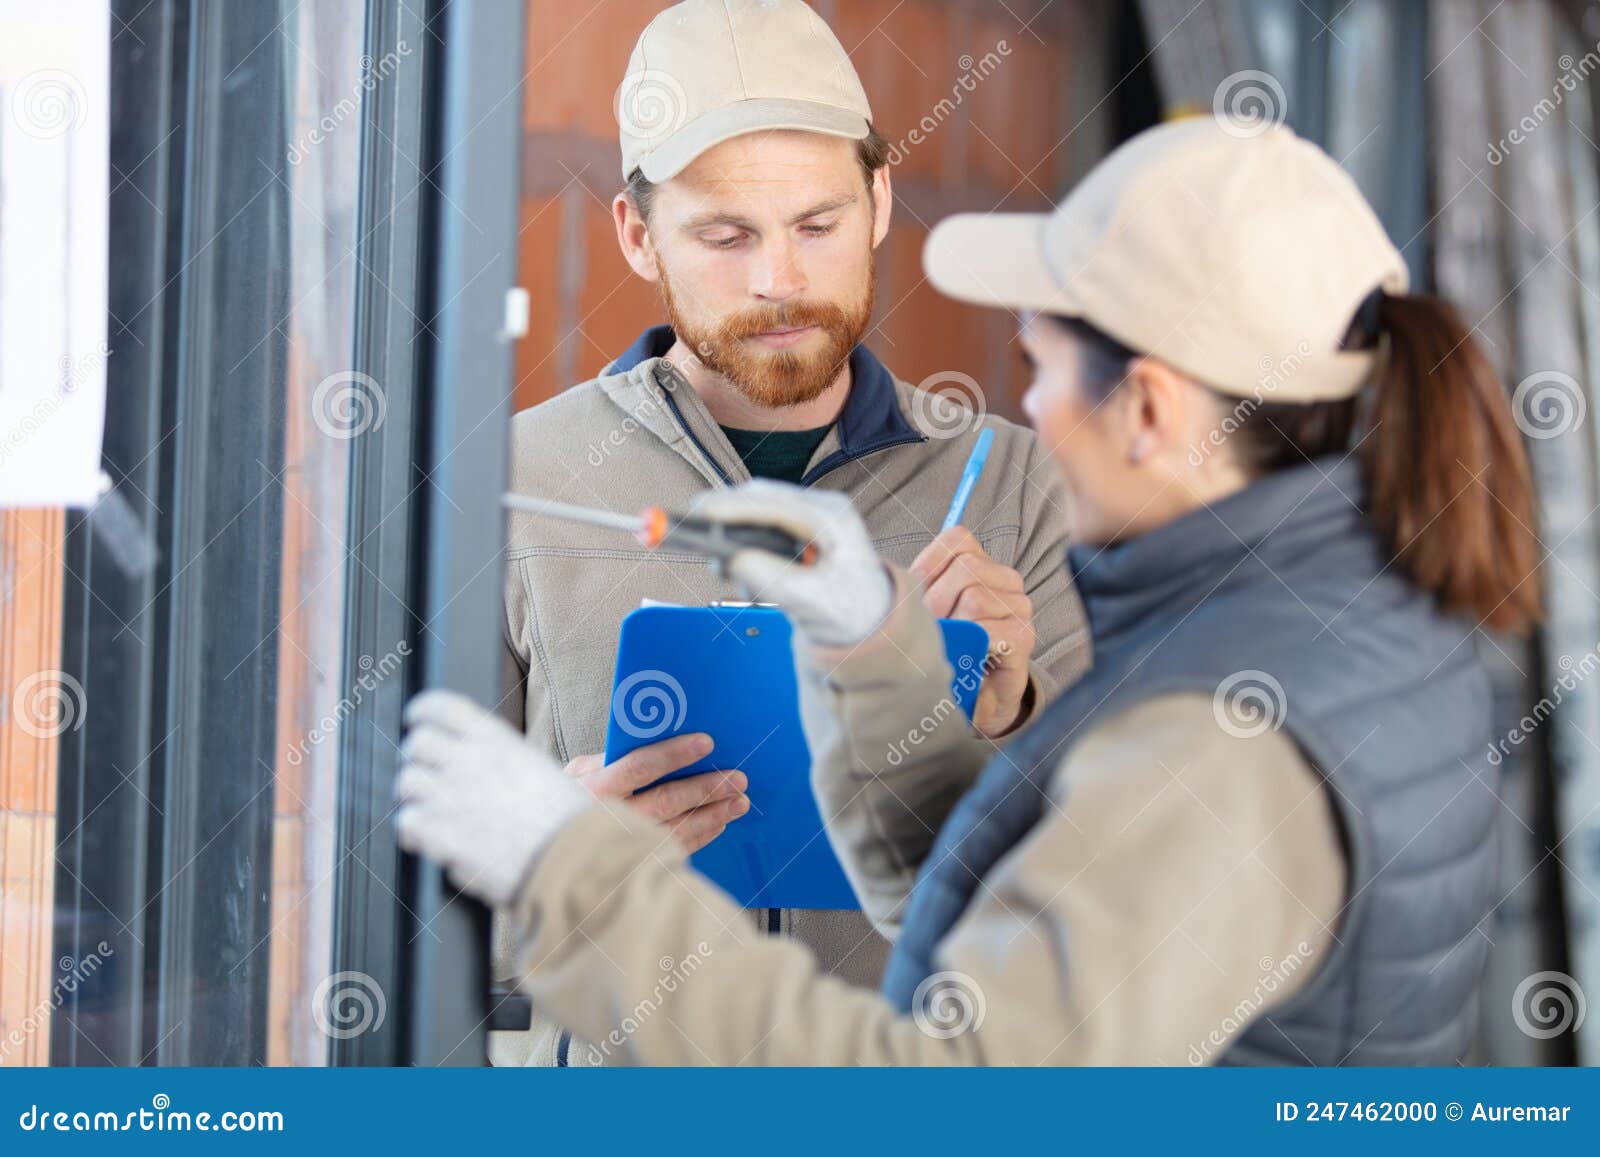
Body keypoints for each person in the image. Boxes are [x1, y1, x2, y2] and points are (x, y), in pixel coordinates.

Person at [408, 116, 1542, 1064]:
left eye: (1042, 368)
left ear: (1148, 410)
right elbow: (1019, 929)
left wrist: (572, 874)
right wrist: (877, 649)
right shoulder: (1356, 615)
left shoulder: (1223, 746)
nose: (1027, 412)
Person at [495, 0, 1089, 1064]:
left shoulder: (1008, 479)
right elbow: (385, 909)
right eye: (726, 235)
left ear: (879, 201)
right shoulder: (517, 481)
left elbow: (1102, 898)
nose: (780, 279)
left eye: (818, 225)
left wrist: (1011, 712)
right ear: (637, 236)